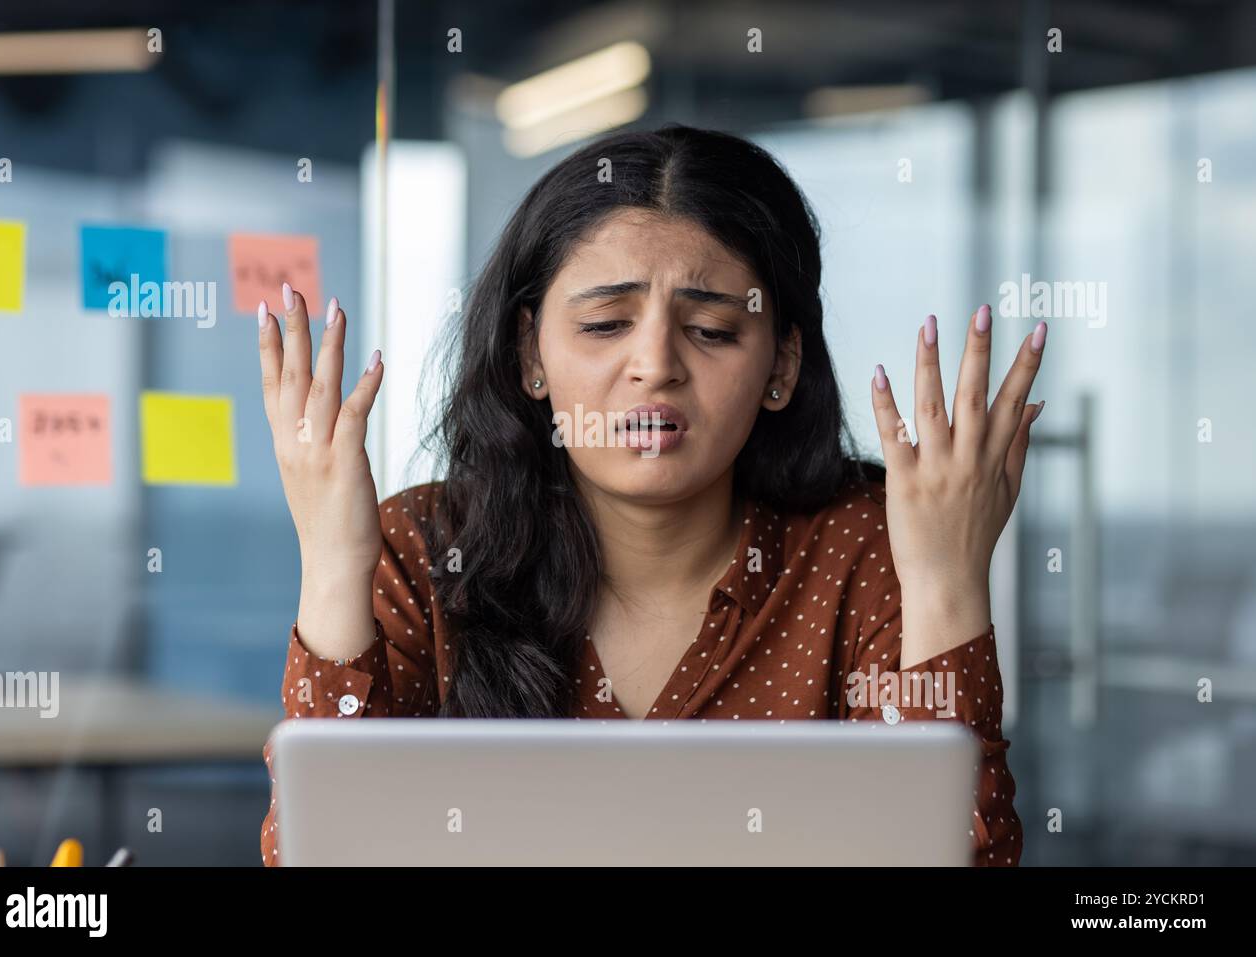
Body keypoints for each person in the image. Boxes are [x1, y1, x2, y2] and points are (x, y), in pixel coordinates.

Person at [255, 124, 1042, 866]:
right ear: (531, 354)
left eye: (712, 330)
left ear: (782, 366)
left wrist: (944, 580)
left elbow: (953, 855)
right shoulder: (422, 546)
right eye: (605, 324)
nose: (655, 365)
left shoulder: (869, 548)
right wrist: (330, 560)